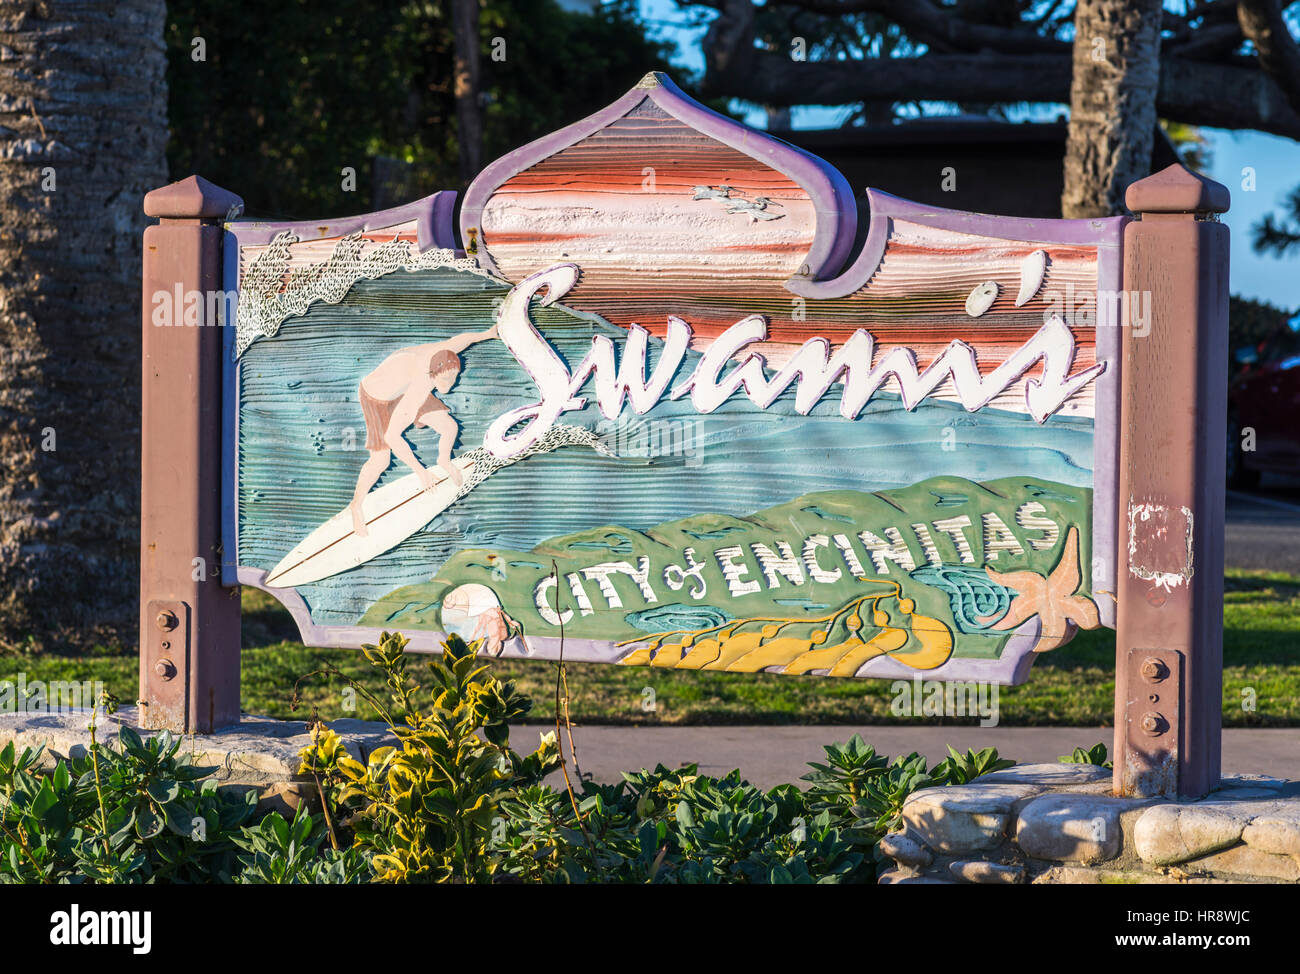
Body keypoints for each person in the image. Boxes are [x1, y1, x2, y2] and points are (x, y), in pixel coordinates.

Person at [349, 325, 497, 537]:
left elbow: (464, 338)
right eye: (445, 380)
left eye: (454, 376)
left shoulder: (444, 353)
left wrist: (488, 334)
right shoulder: (420, 386)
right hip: (377, 398)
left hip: (402, 387)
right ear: (433, 374)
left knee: (449, 426)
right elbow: (393, 436)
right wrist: (420, 472)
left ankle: (443, 460)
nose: (450, 384)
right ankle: (356, 506)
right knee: (380, 460)